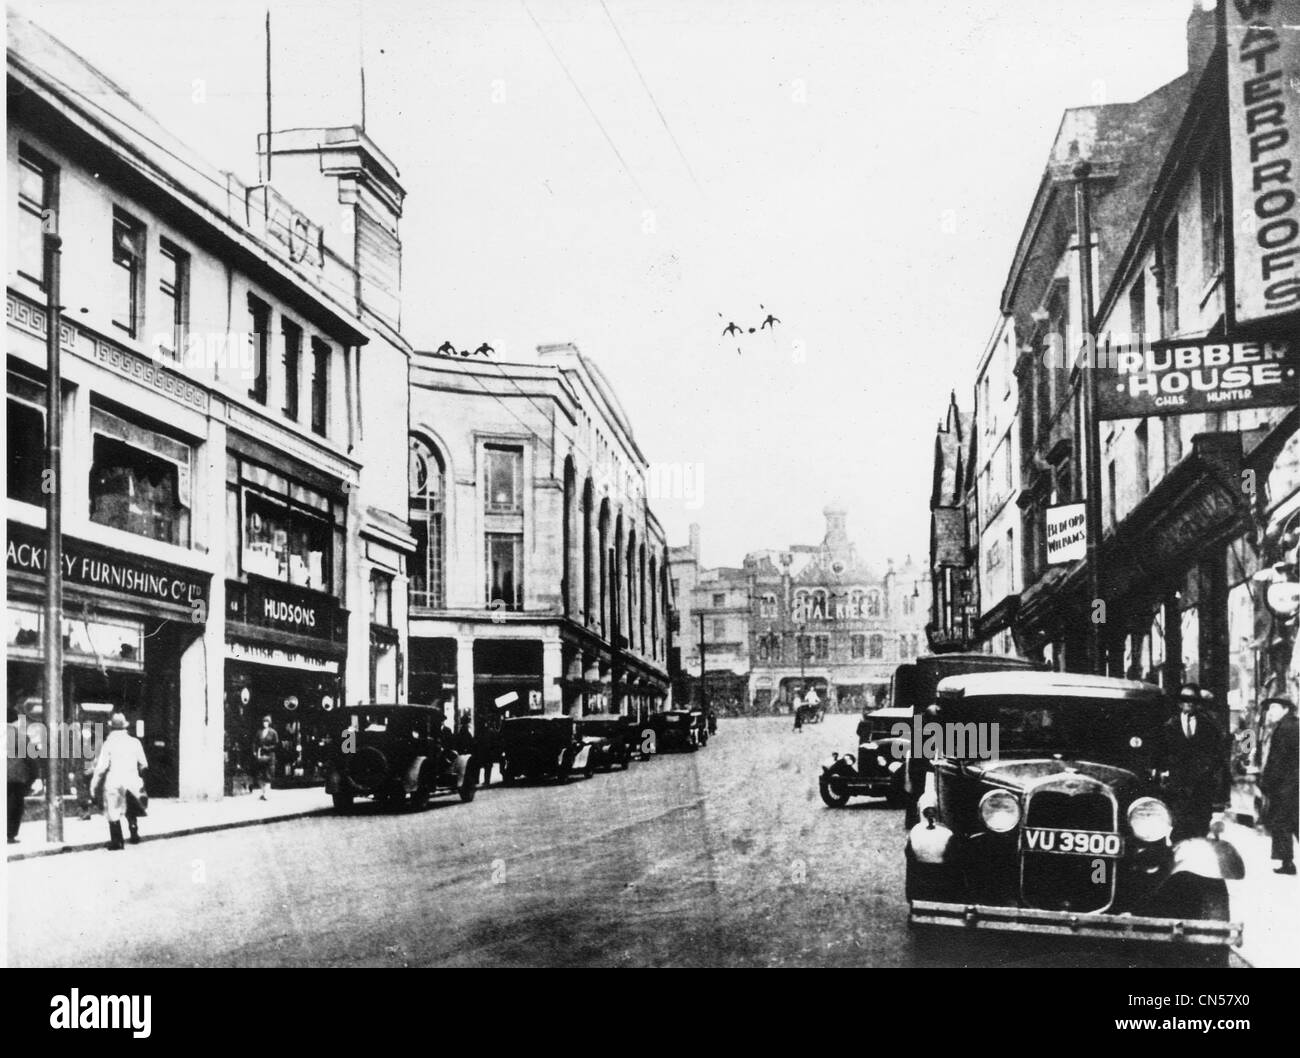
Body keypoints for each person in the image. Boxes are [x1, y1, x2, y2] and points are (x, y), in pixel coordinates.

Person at [1159, 683, 1228, 843]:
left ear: (1198, 702)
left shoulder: (1210, 727)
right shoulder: (1169, 727)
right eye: (1185, 699)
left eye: (1192, 700)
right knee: (1179, 835)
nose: (1188, 703)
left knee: (1199, 836)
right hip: (1177, 792)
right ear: (1179, 702)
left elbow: (1218, 761)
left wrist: (1219, 800)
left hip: (1202, 793)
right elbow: (1161, 757)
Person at [90, 713, 148, 850]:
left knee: (113, 809)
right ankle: (134, 831)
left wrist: (93, 785)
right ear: (125, 727)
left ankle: (117, 841)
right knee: (131, 805)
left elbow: (101, 768)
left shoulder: (108, 744)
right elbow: (144, 764)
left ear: (111, 728)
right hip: (132, 780)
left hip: (114, 780)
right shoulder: (135, 742)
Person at [1260, 697, 1298, 875]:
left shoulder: (1285, 729)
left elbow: (1278, 761)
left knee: (1283, 823)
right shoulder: (1292, 725)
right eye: (1269, 709)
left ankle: (1287, 863)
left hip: (1285, 786)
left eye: (1274, 707)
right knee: (1291, 823)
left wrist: (1267, 783)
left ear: (1285, 709)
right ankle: (1287, 863)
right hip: (1292, 785)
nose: (1270, 712)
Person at [7, 706, 38, 844]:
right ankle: (10, 835)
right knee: (14, 806)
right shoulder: (21, 736)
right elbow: (31, 759)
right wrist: (34, 777)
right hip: (16, 777)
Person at [252, 716, 279, 800]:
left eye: (267, 722)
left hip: (270, 756)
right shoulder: (259, 732)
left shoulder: (273, 732)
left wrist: (267, 748)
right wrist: (254, 751)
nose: (265, 723)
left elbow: (276, 745)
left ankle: (266, 794)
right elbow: (254, 742)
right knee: (260, 775)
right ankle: (262, 792)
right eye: (264, 722)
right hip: (261, 756)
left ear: (269, 723)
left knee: (268, 775)